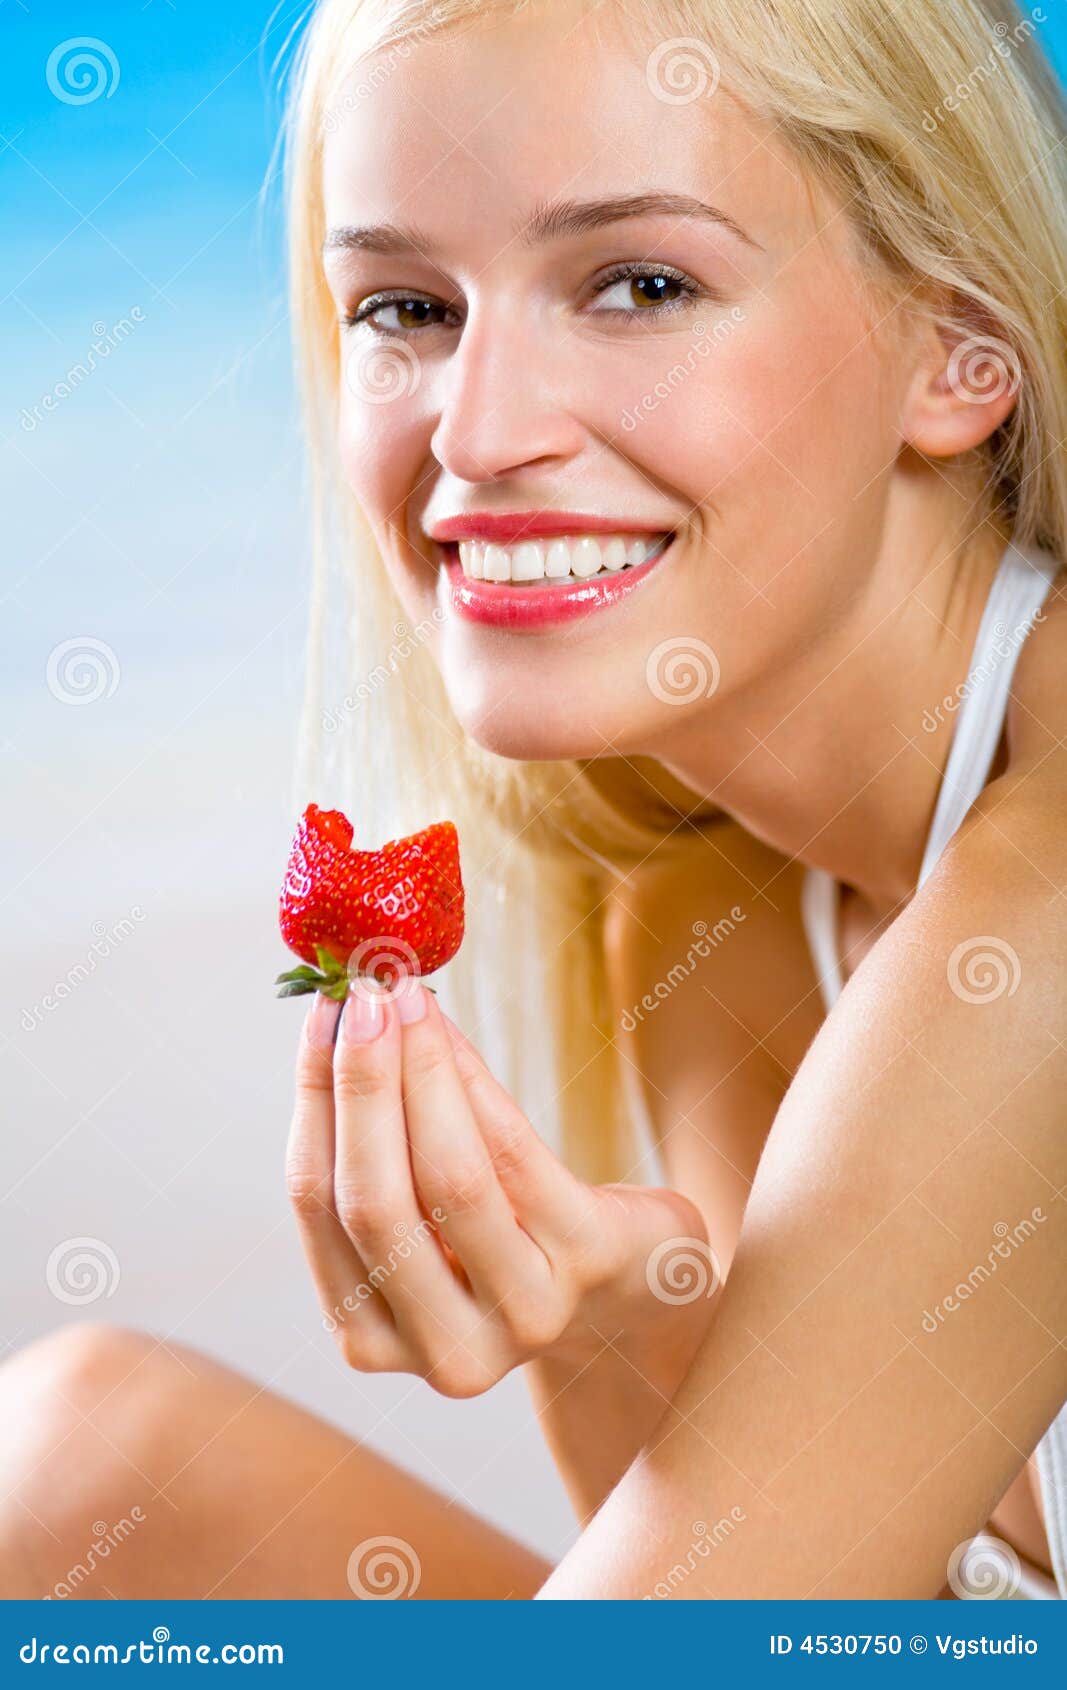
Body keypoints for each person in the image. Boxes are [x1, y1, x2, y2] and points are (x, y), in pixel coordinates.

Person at [3, 0, 1065, 1600]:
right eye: (407, 307)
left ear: (957, 355)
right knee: (75, 1471)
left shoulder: (1038, 930)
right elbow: (811, 1609)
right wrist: (622, 1303)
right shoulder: (714, 912)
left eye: (641, 285)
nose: (480, 435)